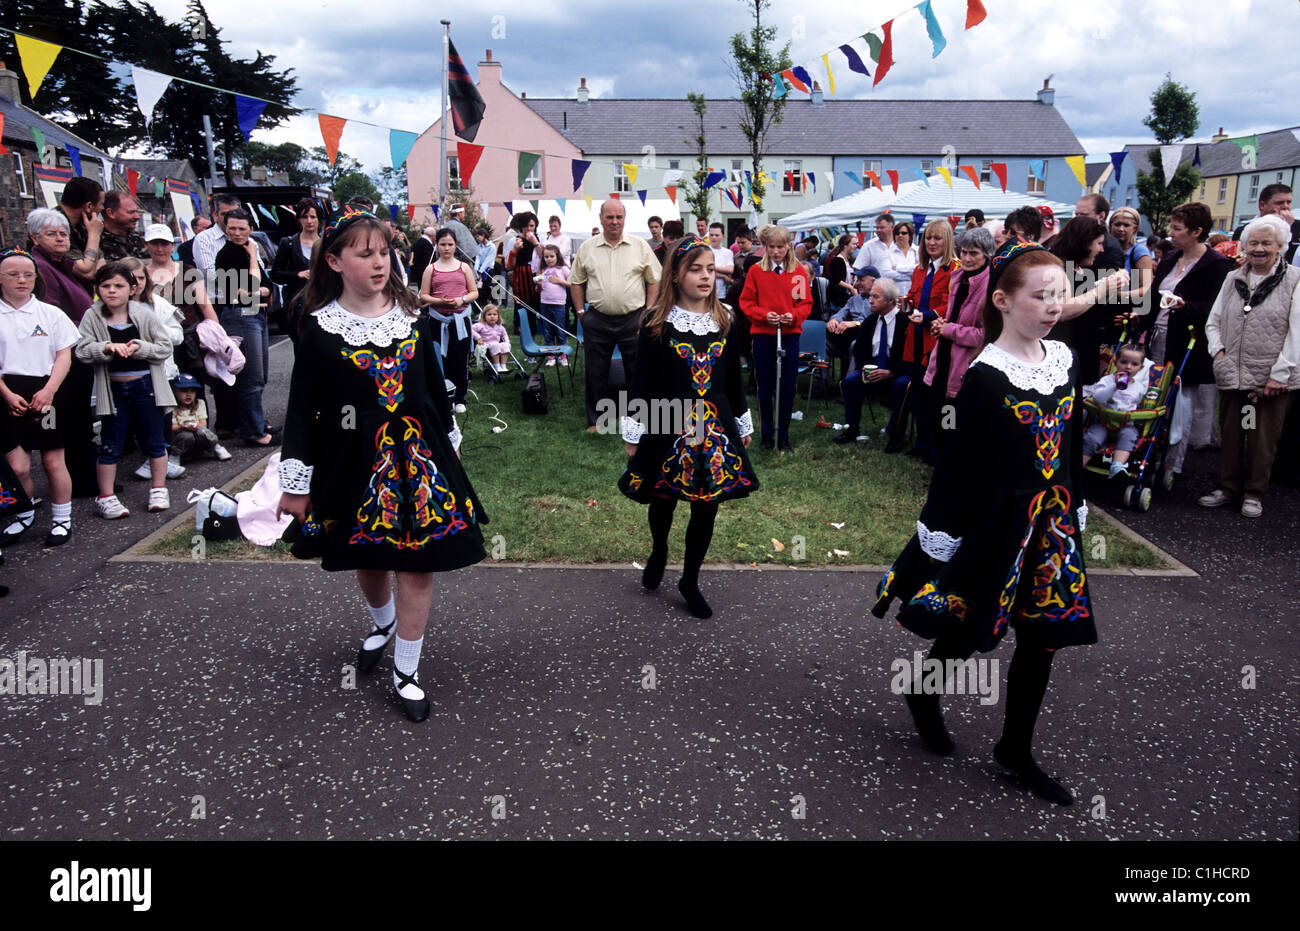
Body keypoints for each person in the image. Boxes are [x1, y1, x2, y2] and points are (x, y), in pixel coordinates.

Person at [872, 241, 1094, 807]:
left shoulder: (1063, 360)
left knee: (1042, 637)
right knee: (968, 628)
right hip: (995, 524)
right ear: (1002, 300)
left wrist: (1077, 502)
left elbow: (1069, 442)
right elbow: (956, 469)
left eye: (1061, 295)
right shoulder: (984, 378)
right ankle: (924, 691)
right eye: (1040, 296)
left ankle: (1015, 748)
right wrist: (940, 539)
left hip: (1052, 526)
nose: (1053, 306)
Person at [276, 206, 489, 723]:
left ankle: (407, 670)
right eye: (364, 253)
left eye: (385, 252)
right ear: (333, 260)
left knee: (418, 561)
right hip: (352, 458)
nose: (379, 263)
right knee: (368, 555)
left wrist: (450, 441)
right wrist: (295, 482)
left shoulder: (412, 313)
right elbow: (303, 409)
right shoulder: (319, 328)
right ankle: (383, 622)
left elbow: (432, 385)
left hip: (420, 459)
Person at [619, 236, 756, 619]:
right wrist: (634, 432)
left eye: (711, 269)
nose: (706, 276)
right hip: (667, 424)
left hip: (715, 433)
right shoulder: (656, 322)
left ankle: (690, 579)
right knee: (663, 497)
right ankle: (659, 549)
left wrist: (741, 423)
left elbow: (732, 379)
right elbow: (641, 383)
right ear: (676, 275)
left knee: (706, 505)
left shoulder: (726, 319)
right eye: (696, 269)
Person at [1200, 214, 1300, 517]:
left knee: (1261, 438)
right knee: (1234, 433)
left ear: (1280, 246)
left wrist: (1279, 373)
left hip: (1271, 379)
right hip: (1234, 372)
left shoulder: (1295, 279)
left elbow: (1298, 331)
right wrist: (1218, 352)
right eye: (1253, 243)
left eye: (1266, 243)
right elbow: (1213, 321)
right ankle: (1229, 488)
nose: (1259, 249)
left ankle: (1254, 493)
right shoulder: (1234, 278)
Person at [1130, 202, 1233, 478]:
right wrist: (1137, 319)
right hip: (1159, 337)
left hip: (1188, 341)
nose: (1171, 233)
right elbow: (1152, 296)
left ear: (1197, 231)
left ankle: (1172, 462)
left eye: (1177, 228)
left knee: (1182, 402)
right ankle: (1144, 453)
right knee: (1151, 395)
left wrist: (1186, 306)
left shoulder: (1217, 264)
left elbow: (1217, 307)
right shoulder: (1170, 258)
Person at [75, 262, 176, 518]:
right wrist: (106, 348)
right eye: (105, 286)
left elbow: (164, 347)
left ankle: (158, 488)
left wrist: (140, 347)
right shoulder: (92, 316)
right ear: (97, 289)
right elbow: (81, 350)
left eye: (118, 286)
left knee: (154, 440)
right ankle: (106, 496)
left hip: (145, 386)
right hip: (113, 391)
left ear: (132, 289)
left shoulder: (143, 314)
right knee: (111, 442)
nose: (112, 291)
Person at [0, 248, 78, 547]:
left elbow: (63, 354)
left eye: (28, 275)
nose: (22, 280)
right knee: (17, 466)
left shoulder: (50, 313)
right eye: (13, 274)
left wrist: (49, 390)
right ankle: (25, 511)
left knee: (52, 462)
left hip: (47, 392)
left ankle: (61, 518)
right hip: (8, 393)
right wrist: (6, 394)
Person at [569, 199, 661, 432]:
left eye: (619, 217)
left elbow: (654, 280)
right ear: (601, 219)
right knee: (595, 371)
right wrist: (581, 312)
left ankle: (637, 419)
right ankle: (596, 421)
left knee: (637, 370)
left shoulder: (640, 246)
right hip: (597, 319)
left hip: (634, 319)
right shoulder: (587, 248)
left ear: (624, 219)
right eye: (609, 217)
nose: (614, 222)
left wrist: (648, 311)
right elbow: (576, 282)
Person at [738, 225, 812, 450]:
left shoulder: (797, 272)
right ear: (765, 247)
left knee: (788, 385)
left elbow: (805, 303)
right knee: (765, 385)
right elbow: (746, 302)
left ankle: (784, 435)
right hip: (763, 334)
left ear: (789, 246)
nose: (776, 251)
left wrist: (793, 316)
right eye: (772, 247)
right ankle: (768, 434)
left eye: (781, 247)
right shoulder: (756, 272)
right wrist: (763, 316)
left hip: (789, 334)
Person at [922, 228, 994, 456]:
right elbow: (953, 318)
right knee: (943, 407)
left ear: (987, 255)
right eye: (963, 252)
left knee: (957, 414)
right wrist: (940, 325)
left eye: (974, 253)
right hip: (945, 356)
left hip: (967, 362)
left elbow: (986, 335)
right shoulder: (959, 277)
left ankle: (952, 458)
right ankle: (941, 454)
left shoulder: (990, 286)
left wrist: (949, 329)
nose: (967, 258)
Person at [212, 210, 277, 447]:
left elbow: (268, 287)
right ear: (225, 229)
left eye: (242, 228)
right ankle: (253, 431)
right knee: (251, 376)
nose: (237, 233)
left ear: (251, 228)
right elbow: (247, 288)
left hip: (257, 314)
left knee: (261, 375)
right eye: (232, 228)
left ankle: (256, 423)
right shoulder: (226, 255)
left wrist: (255, 292)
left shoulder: (249, 251)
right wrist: (252, 259)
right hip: (240, 316)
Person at [121, 255, 187, 480]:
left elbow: (178, 335)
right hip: (128, 373)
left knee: (162, 415)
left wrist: (153, 331)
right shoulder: (111, 306)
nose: (136, 283)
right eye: (130, 278)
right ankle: (151, 457)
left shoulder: (157, 304)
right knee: (139, 418)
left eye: (140, 278)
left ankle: (161, 458)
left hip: (159, 370)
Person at [896, 220, 957, 457]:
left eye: (937, 238)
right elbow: (914, 296)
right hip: (916, 338)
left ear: (948, 241)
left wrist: (929, 315)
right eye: (928, 238)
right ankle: (922, 442)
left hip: (937, 338)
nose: (931, 243)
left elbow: (951, 304)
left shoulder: (955, 269)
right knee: (919, 393)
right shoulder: (919, 269)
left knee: (937, 397)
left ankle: (938, 446)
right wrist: (907, 303)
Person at [832, 278, 905, 445]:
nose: (870, 300)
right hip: (871, 368)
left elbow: (909, 357)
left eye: (876, 297)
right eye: (871, 296)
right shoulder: (871, 321)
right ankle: (852, 428)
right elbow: (859, 351)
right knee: (849, 382)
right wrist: (865, 368)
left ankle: (896, 434)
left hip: (895, 370)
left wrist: (890, 372)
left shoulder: (904, 322)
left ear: (890, 301)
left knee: (903, 385)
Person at [419, 228, 478, 412]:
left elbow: (474, 292)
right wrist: (440, 301)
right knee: (439, 359)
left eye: (450, 244)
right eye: (443, 244)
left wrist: (461, 300)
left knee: (460, 358)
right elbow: (424, 295)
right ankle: (443, 396)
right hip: (437, 321)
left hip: (460, 321)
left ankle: (460, 397)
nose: (446, 248)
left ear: (455, 246)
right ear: (437, 246)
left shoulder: (464, 267)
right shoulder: (431, 269)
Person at [1081, 343, 1153, 478]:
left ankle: (1117, 465)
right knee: (1092, 438)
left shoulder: (1139, 387)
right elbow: (1097, 398)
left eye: (1134, 364)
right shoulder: (1107, 380)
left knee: (1129, 436)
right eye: (1124, 362)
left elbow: (1137, 404)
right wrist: (1115, 385)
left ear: (1140, 368)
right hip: (1104, 421)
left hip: (1125, 424)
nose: (1128, 367)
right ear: (1115, 362)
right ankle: (1081, 463)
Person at [271, 198, 322, 318]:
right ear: (299, 219)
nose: (309, 221)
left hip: (322, 302)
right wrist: (297, 274)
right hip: (298, 305)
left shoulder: (327, 244)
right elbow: (275, 275)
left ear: (319, 219)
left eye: (312, 217)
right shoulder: (288, 243)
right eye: (304, 217)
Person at [825, 266, 880, 369]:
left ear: (874, 281)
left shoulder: (880, 299)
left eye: (861, 280)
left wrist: (856, 323)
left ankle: (848, 382)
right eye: (857, 280)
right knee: (824, 342)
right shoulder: (854, 299)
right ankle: (821, 383)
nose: (857, 284)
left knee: (855, 345)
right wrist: (834, 320)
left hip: (869, 338)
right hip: (847, 336)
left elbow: (876, 321)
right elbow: (842, 312)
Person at [53, 177, 105, 284]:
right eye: (101, 204)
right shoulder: (54, 227)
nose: (102, 208)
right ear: (89, 206)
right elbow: (86, 271)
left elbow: (102, 267)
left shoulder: (83, 225)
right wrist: (94, 235)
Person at [1231, 183, 1298, 264]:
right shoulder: (1244, 230)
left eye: (1288, 202)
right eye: (1279, 203)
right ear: (1262, 205)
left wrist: (1287, 227)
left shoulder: (1297, 227)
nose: (1286, 207)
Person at [169, 372, 229, 461]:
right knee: (187, 436)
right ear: (175, 391)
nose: (188, 394)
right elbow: (171, 427)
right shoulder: (172, 407)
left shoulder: (200, 403)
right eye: (184, 390)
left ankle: (216, 447)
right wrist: (183, 426)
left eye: (192, 391)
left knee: (202, 431)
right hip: (182, 437)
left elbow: (203, 423)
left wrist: (194, 426)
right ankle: (175, 455)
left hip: (197, 434)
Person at [853, 214, 911, 290]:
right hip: (877, 293)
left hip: (900, 291)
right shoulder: (868, 246)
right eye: (877, 228)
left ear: (892, 227)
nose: (878, 230)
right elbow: (858, 268)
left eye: (882, 227)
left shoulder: (902, 245)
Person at [534, 244, 570, 366]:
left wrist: (560, 281)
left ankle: (562, 355)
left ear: (557, 256)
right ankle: (551, 356)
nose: (549, 259)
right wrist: (538, 285)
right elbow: (538, 289)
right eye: (546, 257)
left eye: (551, 256)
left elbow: (572, 284)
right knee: (547, 330)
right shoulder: (542, 271)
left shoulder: (563, 269)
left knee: (559, 329)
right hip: (545, 303)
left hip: (559, 304)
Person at [506, 211, 542, 326]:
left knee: (535, 303)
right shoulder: (515, 240)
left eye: (531, 226)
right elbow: (509, 265)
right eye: (526, 226)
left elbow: (544, 257)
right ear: (521, 226)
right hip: (521, 276)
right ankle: (520, 328)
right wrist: (515, 250)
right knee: (521, 304)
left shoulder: (539, 239)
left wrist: (535, 243)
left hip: (536, 274)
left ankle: (534, 329)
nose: (529, 229)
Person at [1074, 193, 1126, 271]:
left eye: (1083, 215)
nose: (1078, 220)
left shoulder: (1111, 248)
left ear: (1101, 216)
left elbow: (1109, 281)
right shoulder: (1072, 240)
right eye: (1076, 215)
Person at [98, 192, 148, 263]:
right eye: (131, 212)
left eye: (136, 212)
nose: (137, 217)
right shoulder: (95, 239)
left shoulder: (136, 238)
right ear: (111, 213)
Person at [472, 304, 511, 373]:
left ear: (498, 317)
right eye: (489, 314)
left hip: (496, 344)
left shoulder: (500, 327)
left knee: (506, 345)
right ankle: (497, 365)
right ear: (484, 317)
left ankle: (503, 365)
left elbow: (504, 334)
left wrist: (507, 341)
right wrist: (478, 337)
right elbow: (471, 330)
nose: (492, 316)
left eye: (494, 314)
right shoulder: (481, 325)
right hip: (485, 344)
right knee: (495, 344)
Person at [823, 235, 857, 311]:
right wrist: (851, 288)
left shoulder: (847, 260)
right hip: (837, 299)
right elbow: (836, 280)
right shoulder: (838, 260)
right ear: (845, 245)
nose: (856, 246)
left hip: (843, 298)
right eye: (853, 244)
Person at [708, 222, 734, 300]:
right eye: (711, 235)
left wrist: (712, 267)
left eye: (717, 235)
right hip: (706, 293)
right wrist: (723, 275)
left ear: (723, 236)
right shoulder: (704, 250)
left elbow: (730, 270)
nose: (714, 237)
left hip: (721, 294)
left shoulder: (728, 252)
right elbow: (705, 271)